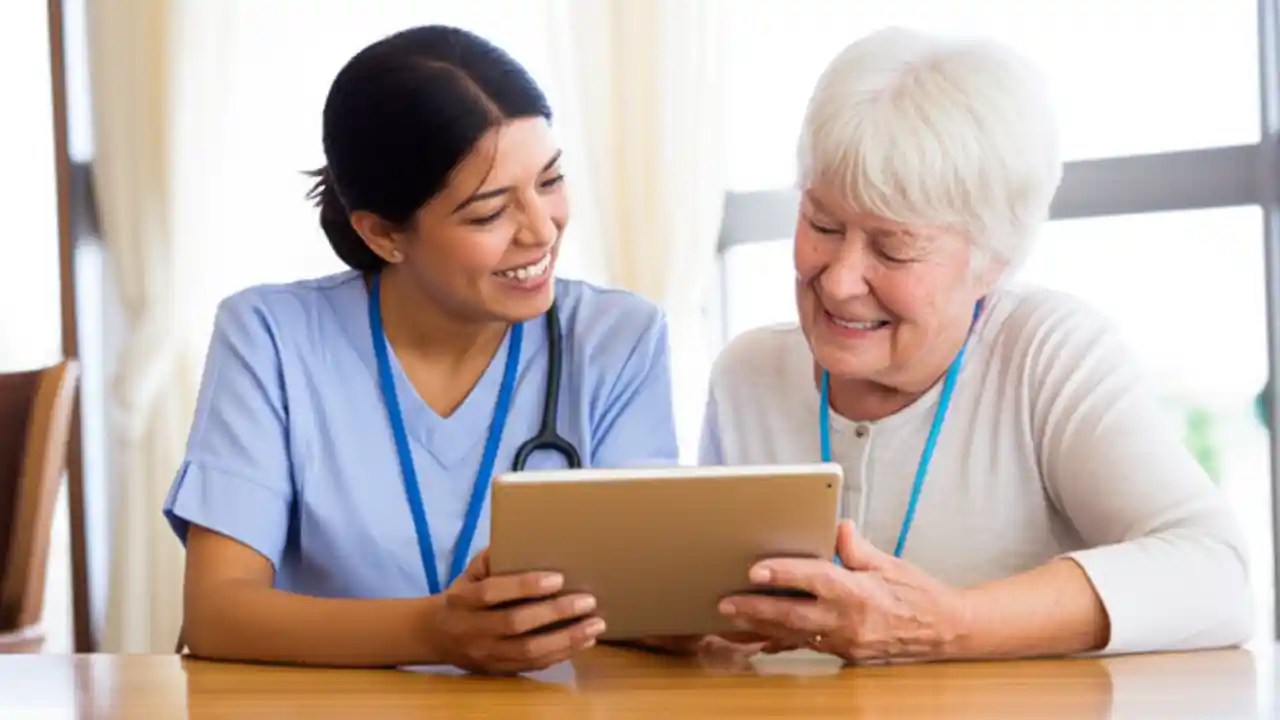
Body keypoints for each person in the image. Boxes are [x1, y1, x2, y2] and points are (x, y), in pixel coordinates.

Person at [702, 28, 1252, 662]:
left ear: (995, 262)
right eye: (821, 224)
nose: (841, 279)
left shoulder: (1048, 354)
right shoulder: (747, 374)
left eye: (894, 248)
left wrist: (950, 623)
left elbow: (1216, 572)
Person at [163, 26, 677, 673]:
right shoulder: (270, 337)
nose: (542, 230)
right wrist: (435, 633)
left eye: (550, 181)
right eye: (490, 213)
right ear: (383, 234)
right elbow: (217, 614)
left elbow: (648, 602)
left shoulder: (617, 340)